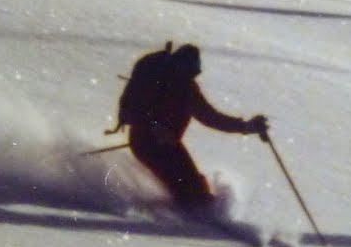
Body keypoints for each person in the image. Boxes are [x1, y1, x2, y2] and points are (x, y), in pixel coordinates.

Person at [115, 43, 268, 212]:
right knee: (182, 186)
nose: (187, 75)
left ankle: (203, 209)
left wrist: (246, 127)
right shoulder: (157, 82)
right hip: (145, 143)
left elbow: (211, 117)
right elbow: (137, 109)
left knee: (194, 185)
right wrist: (154, 127)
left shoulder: (188, 89)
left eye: (191, 71)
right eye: (186, 69)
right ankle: (185, 217)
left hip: (168, 144)